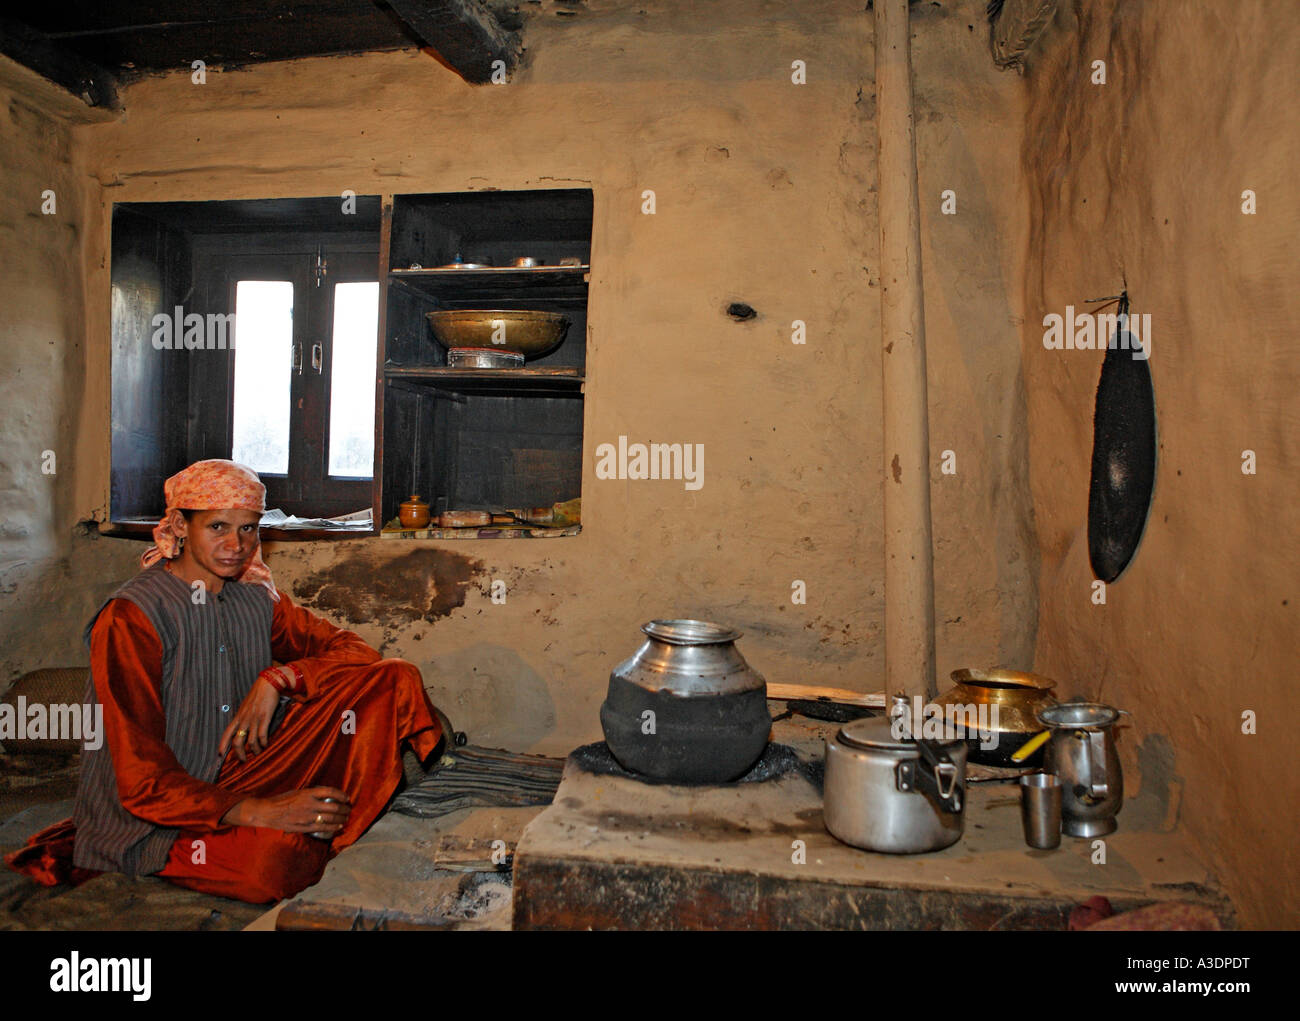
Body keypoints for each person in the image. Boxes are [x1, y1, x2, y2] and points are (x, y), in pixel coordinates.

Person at [5, 459, 446, 904]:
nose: (237, 545)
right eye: (218, 527)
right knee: (273, 864)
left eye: (249, 529)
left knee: (393, 679)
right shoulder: (133, 617)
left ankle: (309, 817)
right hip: (161, 809)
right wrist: (258, 811)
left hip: (241, 769)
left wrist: (279, 677)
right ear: (180, 525)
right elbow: (139, 777)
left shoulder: (254, 598)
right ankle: (302, 822)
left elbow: (356, 653)